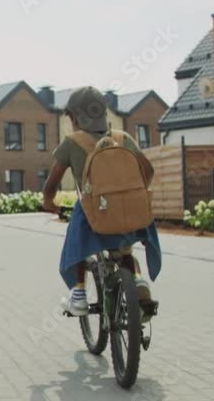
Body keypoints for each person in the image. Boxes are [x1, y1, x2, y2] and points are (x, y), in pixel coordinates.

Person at [41, 86, 162, 318]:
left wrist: (49, 202)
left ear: (75, 117)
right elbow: (148, 171)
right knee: (124, 252)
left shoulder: (72, 142)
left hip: (95, 218)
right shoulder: (122, 138)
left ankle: (78, 295)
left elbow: (52, 182)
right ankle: (136, 280)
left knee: (77, 238)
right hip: (129, 216)